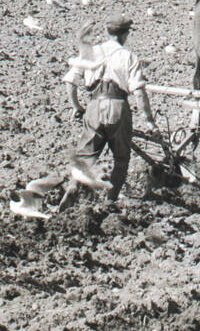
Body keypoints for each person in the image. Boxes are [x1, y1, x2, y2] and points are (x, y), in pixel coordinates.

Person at [59, 16, 161, 203]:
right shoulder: (129, 56)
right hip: (118, 107)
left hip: (94, 106)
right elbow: (139, 91)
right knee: (121, 160)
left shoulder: (90, 53)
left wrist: (77, 106)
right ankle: (110, 200)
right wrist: (148, 120)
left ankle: (74, 187)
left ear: (106, 32)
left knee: (85, 158)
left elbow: (70, 81)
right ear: (126, 35)